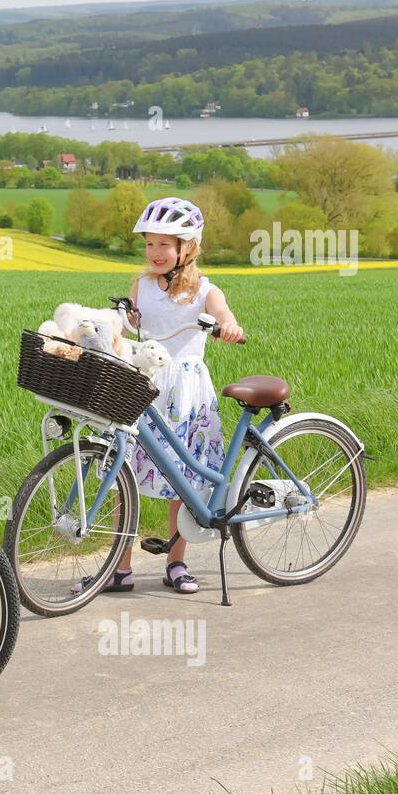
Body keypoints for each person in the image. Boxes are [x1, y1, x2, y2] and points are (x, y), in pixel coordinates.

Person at [98, 197, 244, 594]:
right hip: (142, 383)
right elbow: (128, 323)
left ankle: (176, 563)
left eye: (165, 244)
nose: (154, 253)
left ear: (187, 248)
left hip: (186, 391)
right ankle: (119, 567)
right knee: (122, 474)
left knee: (181, 480)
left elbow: (226, 315)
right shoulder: (142, 285)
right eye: (149, 244)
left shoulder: (205, 291)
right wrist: (102, 326)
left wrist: (228, 327)